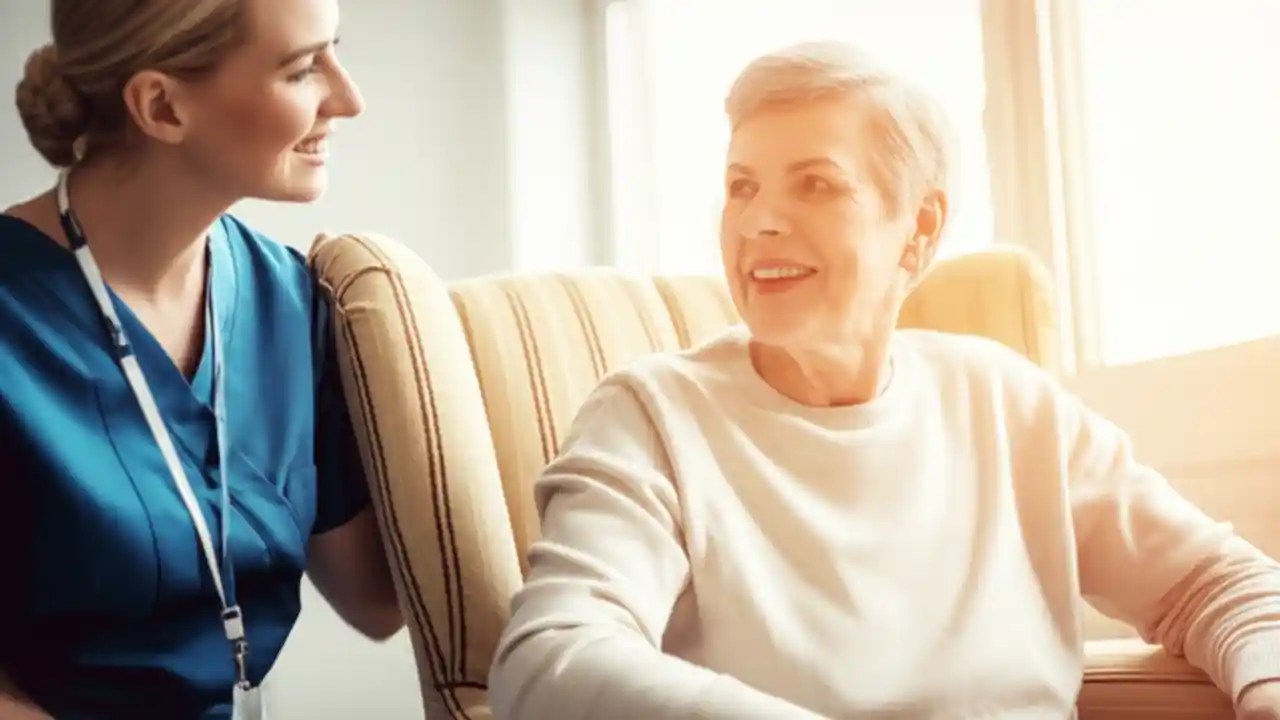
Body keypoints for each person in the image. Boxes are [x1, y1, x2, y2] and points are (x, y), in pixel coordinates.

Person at [487, 41, 1280, 719]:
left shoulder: (1006, 401)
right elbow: (551, 657)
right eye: (741, 186)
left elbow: (1214, 585)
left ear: (920, 228)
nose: (759, 219)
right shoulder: (653, 416)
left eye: (816, 184)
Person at [0, 0, 403, 718]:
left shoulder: (292, 299)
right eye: (304, 67)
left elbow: (380, 601)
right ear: (161, 106)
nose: (350, 99)